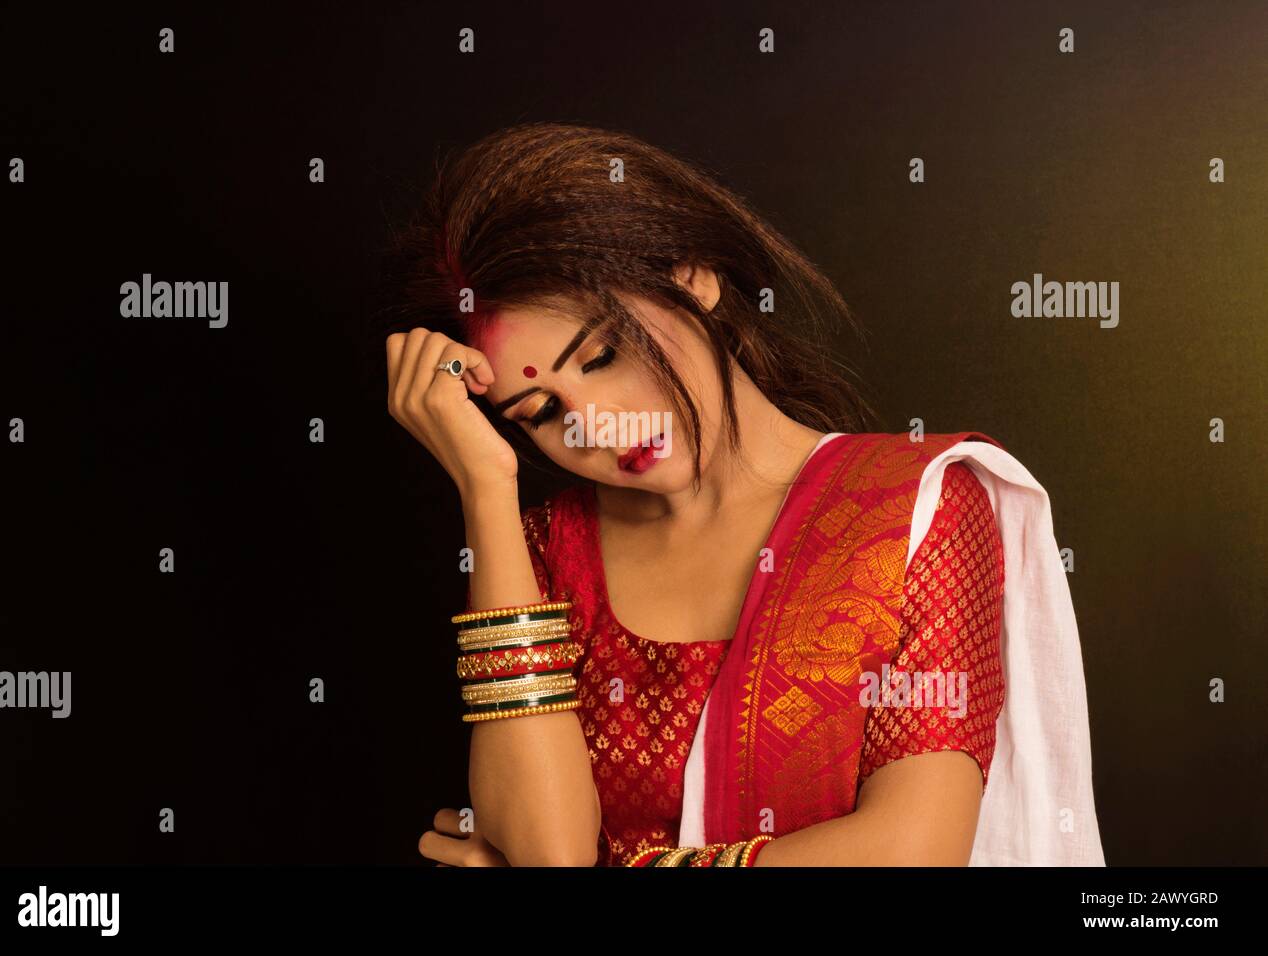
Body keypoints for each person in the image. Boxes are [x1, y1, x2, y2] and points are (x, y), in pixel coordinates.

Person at [383, 122, 1104, 867]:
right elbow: (550, 852)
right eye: (542, 414)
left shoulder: (914, 510)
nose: (596, 425)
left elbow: (910, 852)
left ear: (694, 277)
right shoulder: (539, 553)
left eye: (603, 356)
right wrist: (486, 489)